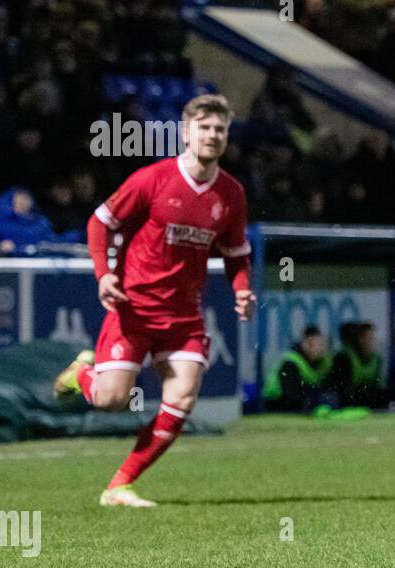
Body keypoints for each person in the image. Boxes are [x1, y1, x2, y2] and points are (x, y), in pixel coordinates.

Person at [53, 95, 256, 507]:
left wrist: (241, 290)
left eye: (220, 129)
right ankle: (82, 374)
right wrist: (104, 273)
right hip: (134, 308)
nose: (213, 135)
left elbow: (236, 253)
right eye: (204, 127)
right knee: (112, 401)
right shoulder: (153, 179)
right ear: (185, 132)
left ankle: (120, 485)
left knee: (182, 396)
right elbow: (100, 221)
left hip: (183, 315)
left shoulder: (231, 194)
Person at [263, 326, 334, 412]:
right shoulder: (290, 362)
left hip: (301, 403)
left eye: (321, 344)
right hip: (276, 404)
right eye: (312, 344)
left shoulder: (326, 362)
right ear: (304, 344)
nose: (317, 349)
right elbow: (292, 396)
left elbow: (328, 389)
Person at [330, 321, 385, 408]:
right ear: (359, 339)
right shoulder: (344, 358)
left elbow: (378, 387)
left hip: (371, 407)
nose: (372, 342)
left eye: (373, 338)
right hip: (348, 405)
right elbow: (342, 391)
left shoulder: (377, 359)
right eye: (368, 338)